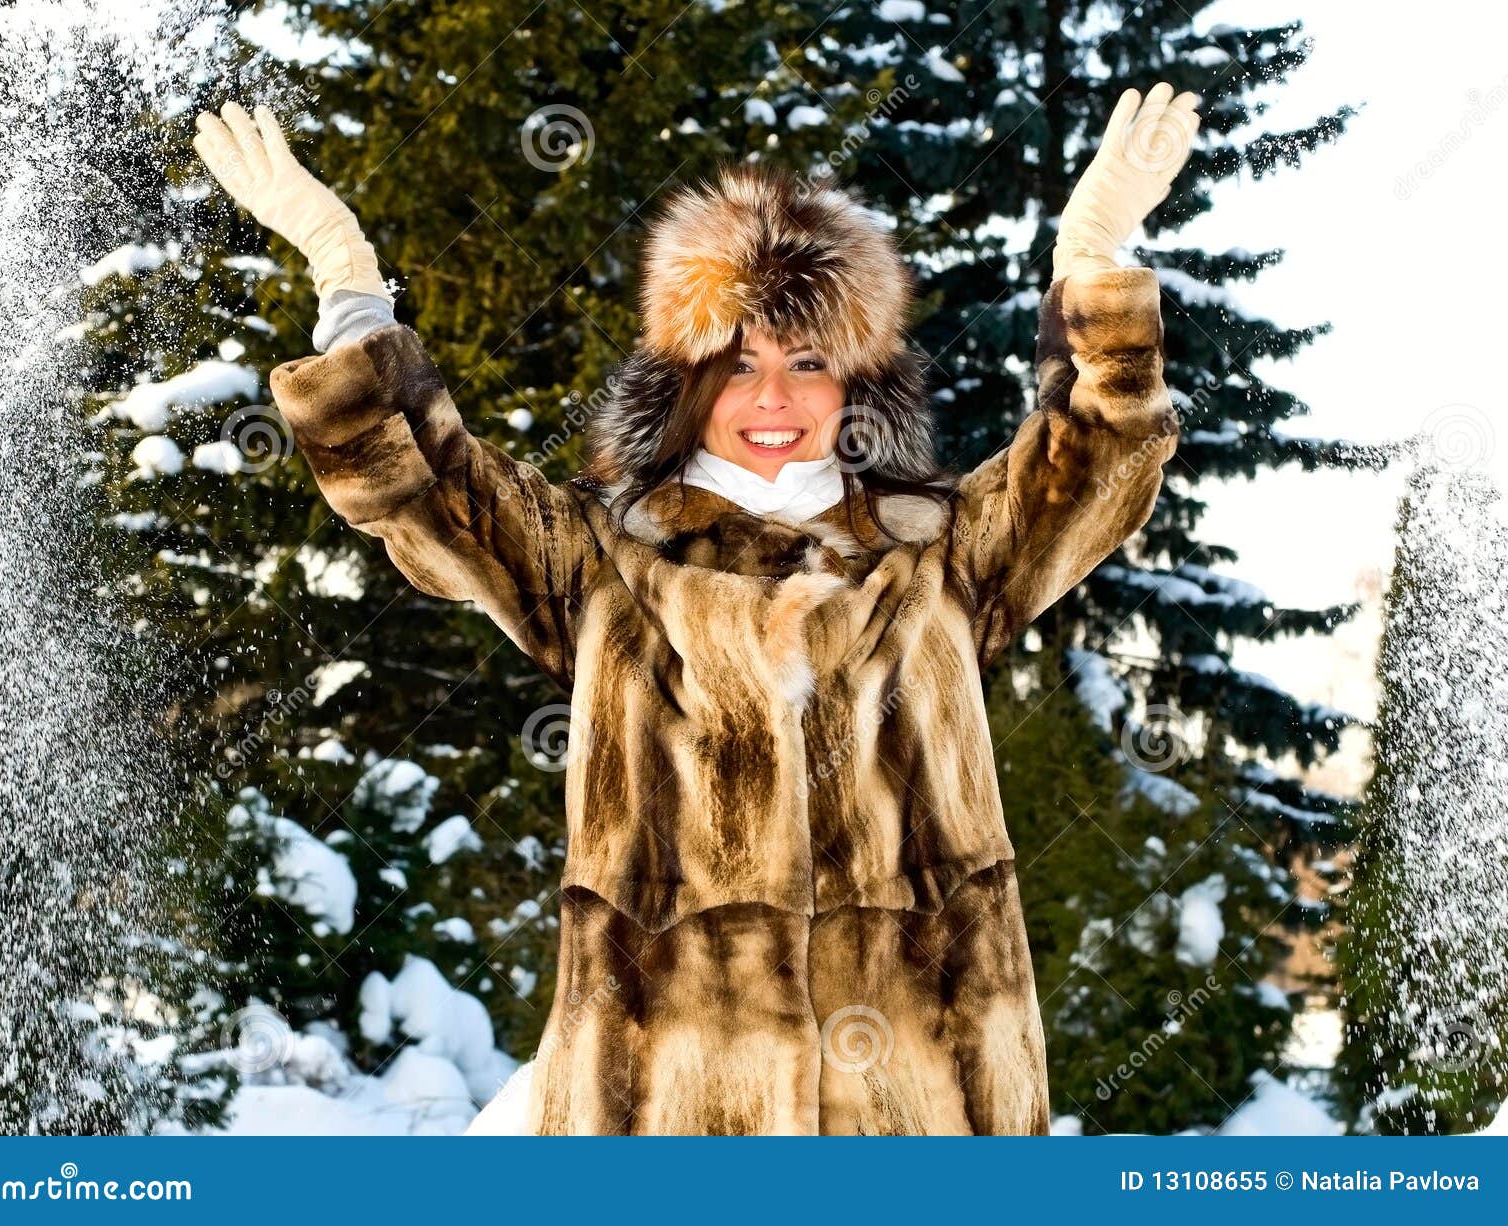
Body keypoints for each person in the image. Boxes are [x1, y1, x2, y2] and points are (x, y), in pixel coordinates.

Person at [193, 83, 1195, 1135]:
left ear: (856, 384)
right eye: (737, 365)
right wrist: (343, 270)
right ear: (688, 384)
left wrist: (1094, 252)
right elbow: (420, 486)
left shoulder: (946, 548)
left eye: (809, 363)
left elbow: (1097, 456)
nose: (773, 397)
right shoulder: (597, 557)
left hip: (925, 1109)